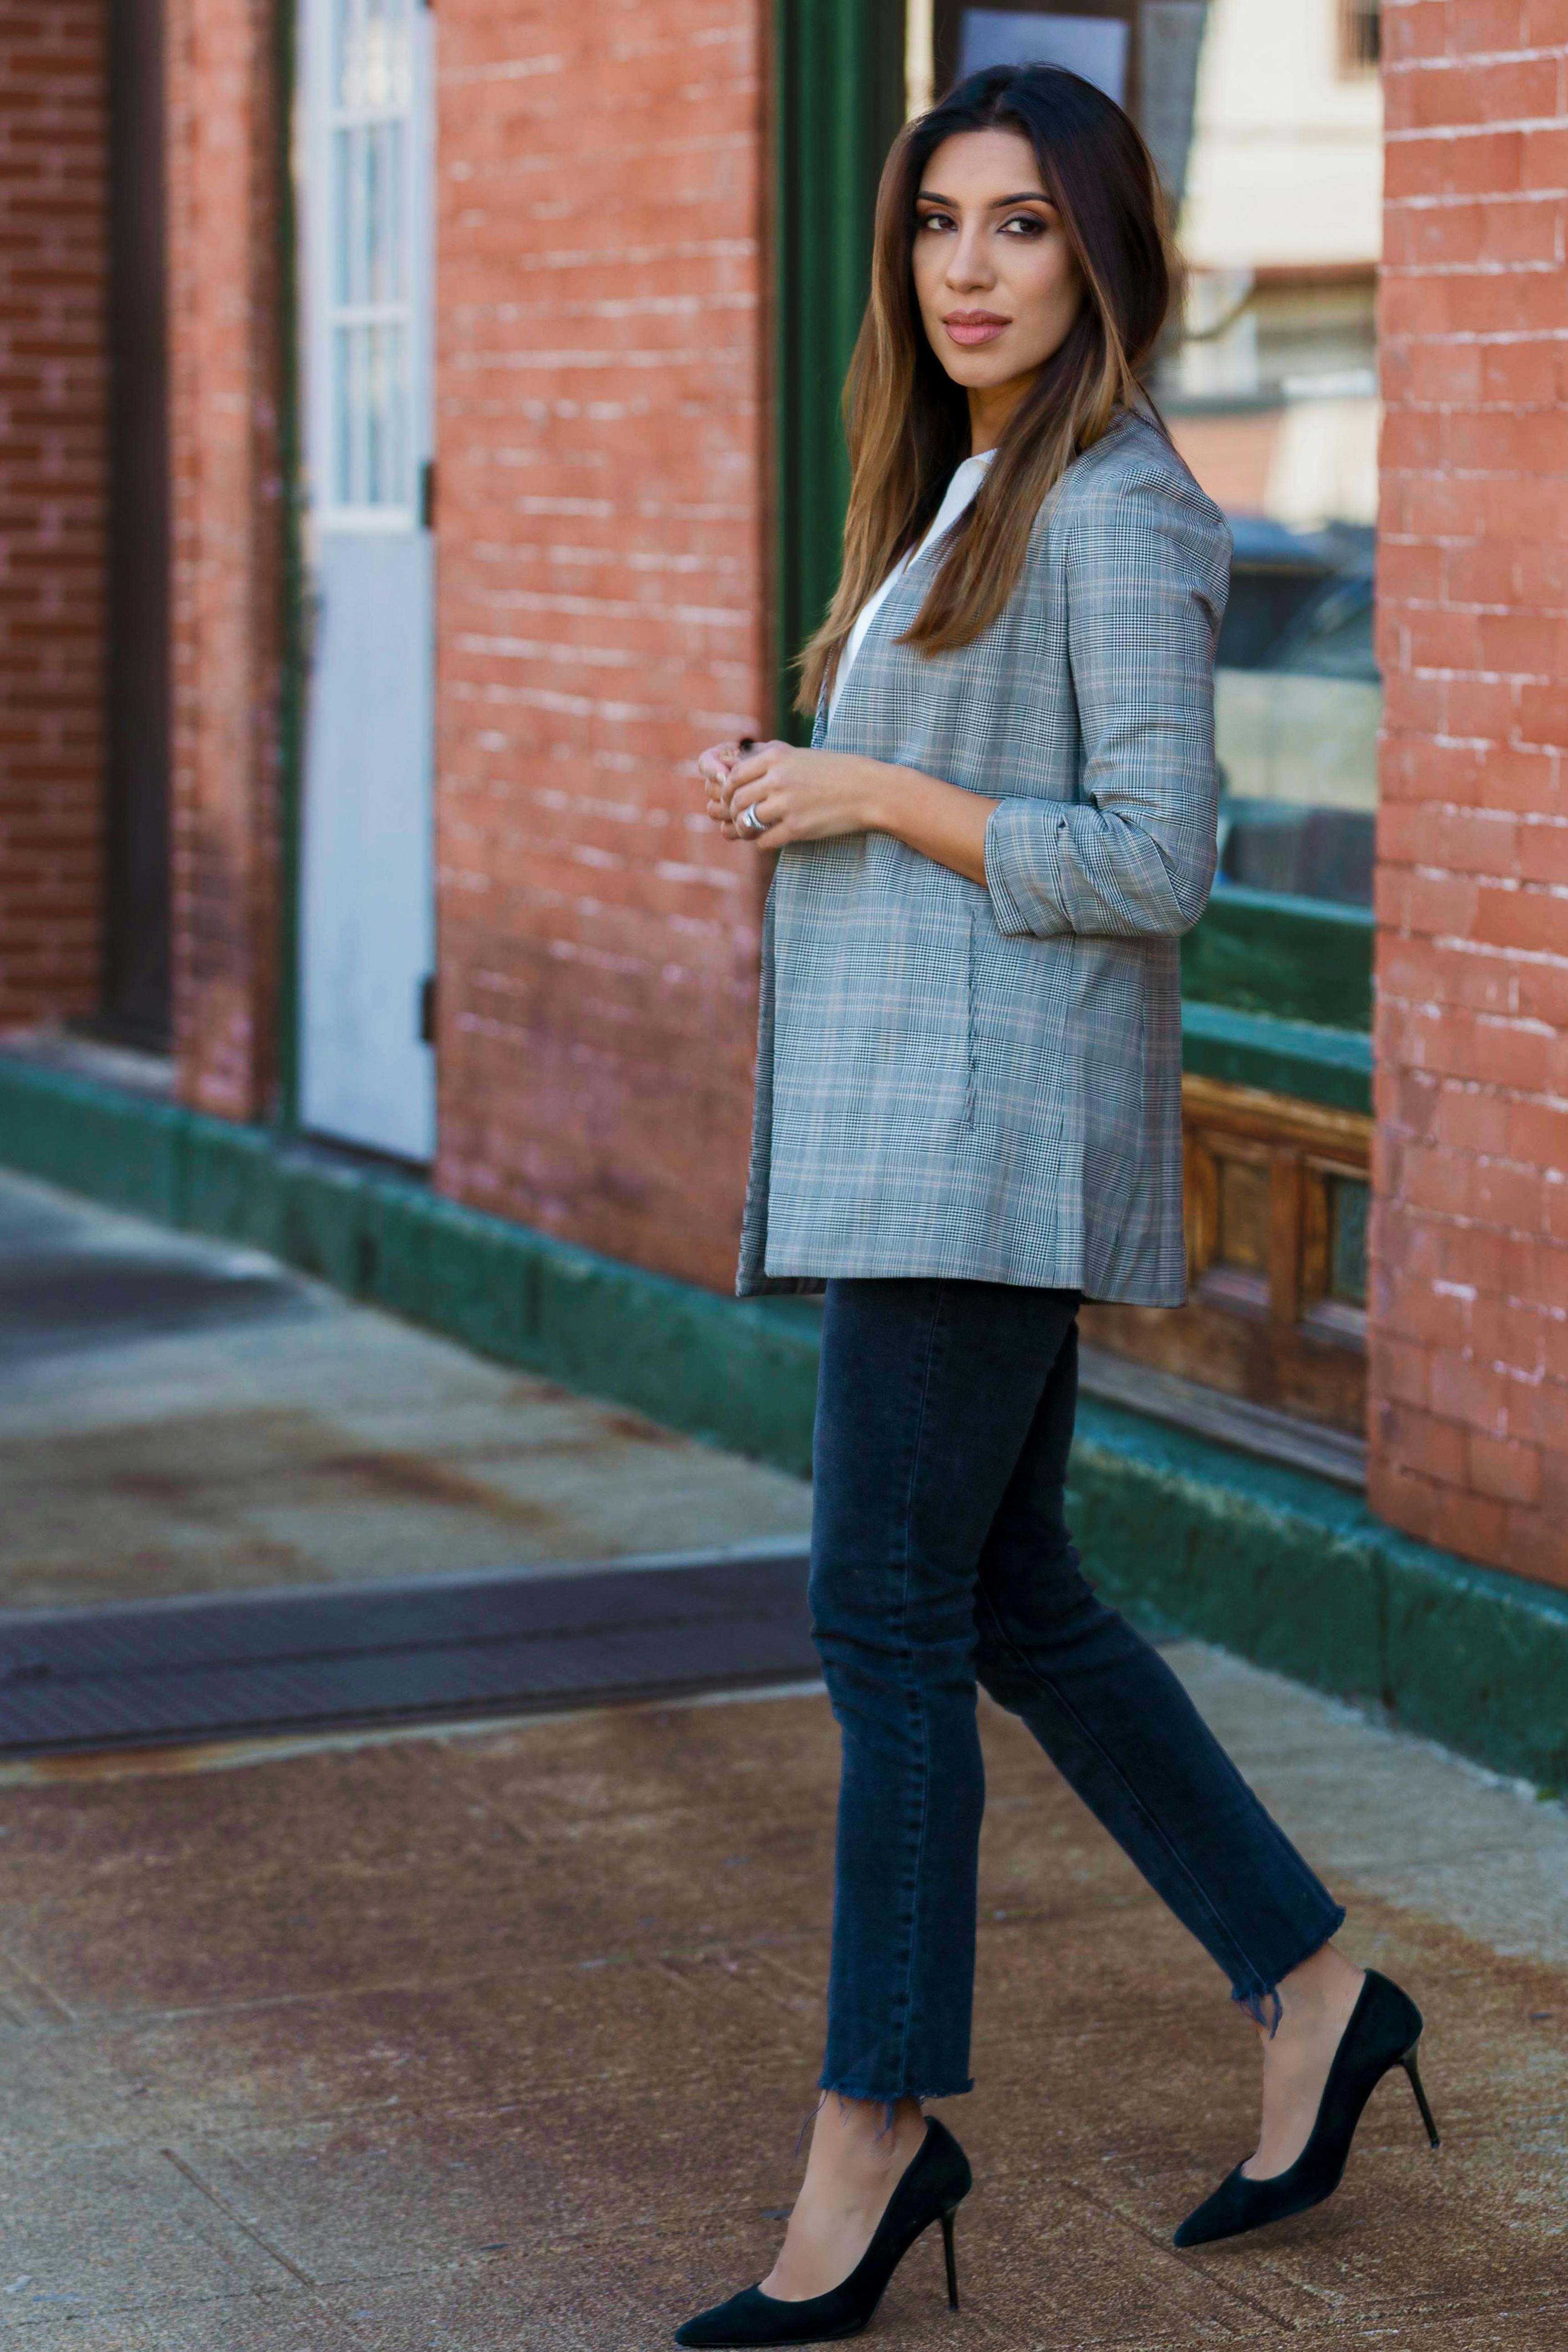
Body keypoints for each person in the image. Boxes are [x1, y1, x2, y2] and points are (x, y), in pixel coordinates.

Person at [677, 63, 1438, 2351]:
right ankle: (1317, 1986)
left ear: (1103, 256)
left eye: (1020, 224)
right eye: (938, 224)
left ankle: (875, 2132)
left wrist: (872, 792)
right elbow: (981, 791)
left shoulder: (1115, 502)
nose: (970, 268)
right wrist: (799, 782)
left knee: (883, 1619)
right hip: (934, 1129)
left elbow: (1156, 856)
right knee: (1007, 1596)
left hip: (981, 1145)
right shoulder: (965, 482)